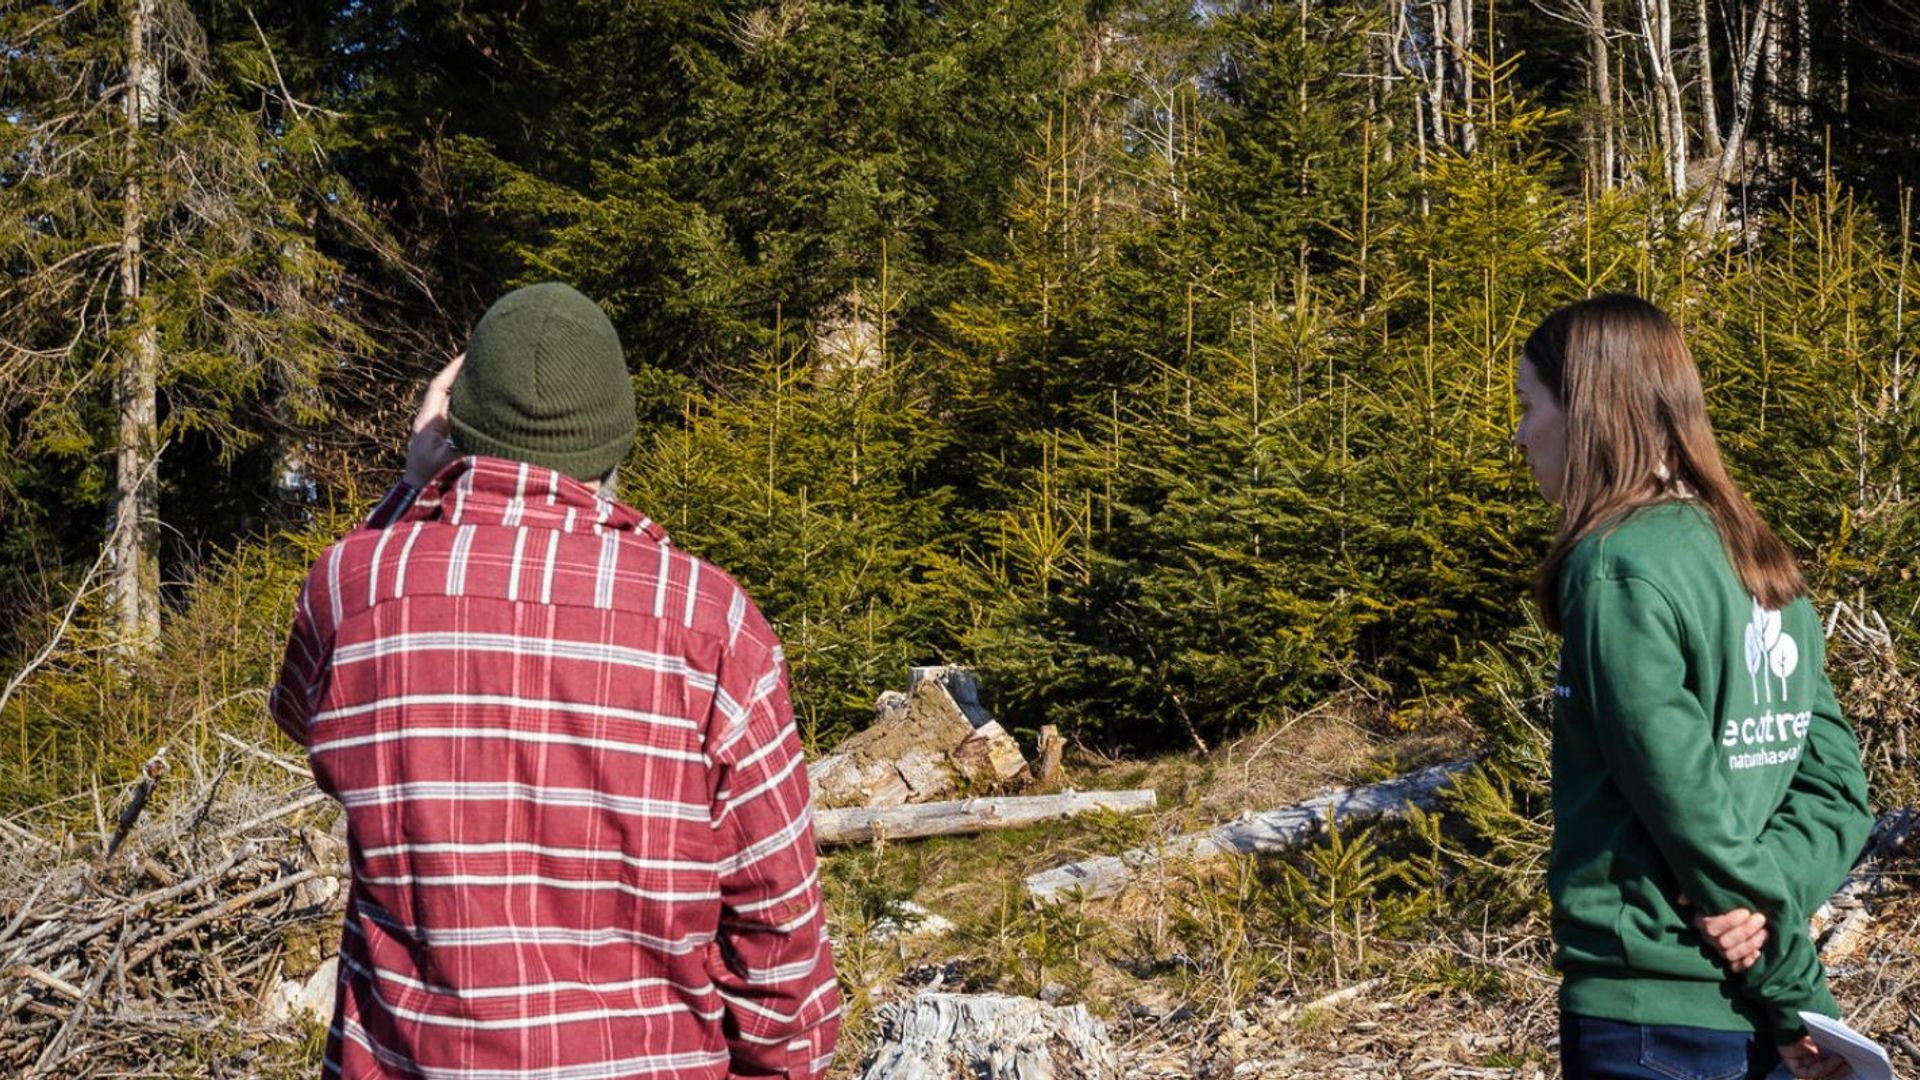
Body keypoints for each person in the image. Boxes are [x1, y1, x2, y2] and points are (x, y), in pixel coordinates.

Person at [270, 282, 839, 1079]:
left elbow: (302, 710)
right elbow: (778, 923)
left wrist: (411, 485)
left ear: (455, 425)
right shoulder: (711, 621)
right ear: (615, 446)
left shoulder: (353, 587)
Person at [1514, 293, 1873, 1080]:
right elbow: (1839, 791)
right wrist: (1776, 942)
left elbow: (1687, 804)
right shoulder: (1753, 553)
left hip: (1652, 1018)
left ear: (1589, 411)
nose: (1520, 434)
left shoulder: (1614, 568)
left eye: (1527, 405)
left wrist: (1787, 984)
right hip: (1761, 1008)